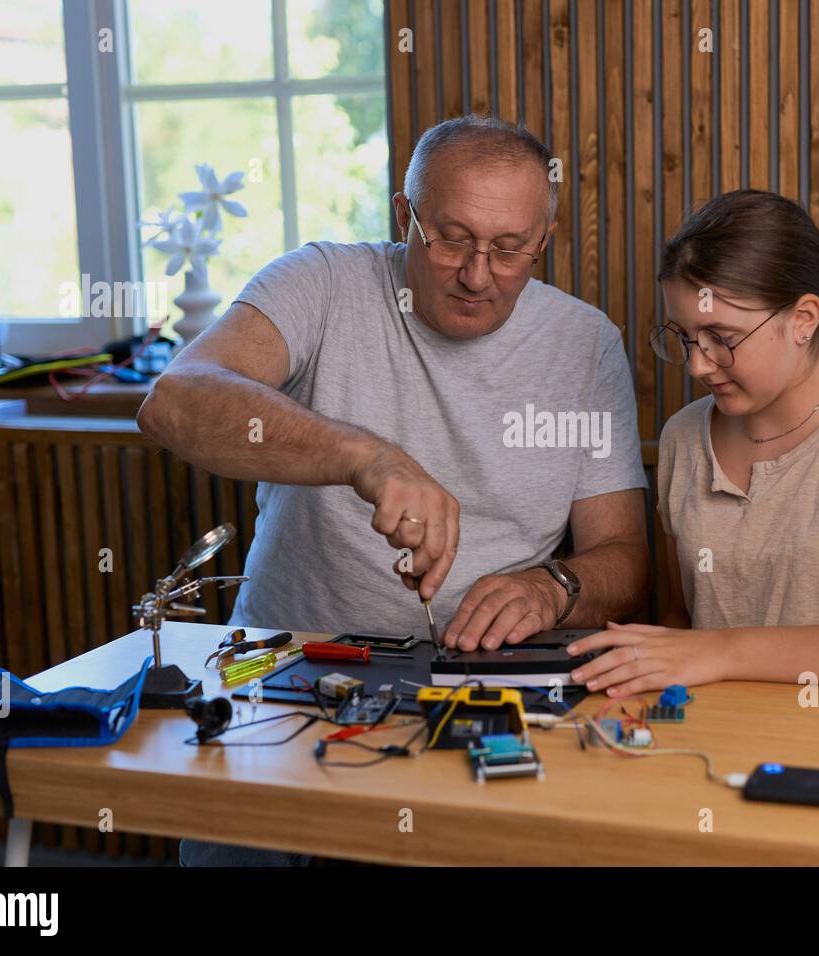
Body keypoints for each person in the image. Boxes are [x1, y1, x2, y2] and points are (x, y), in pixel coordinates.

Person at [138, 114, 649, 865]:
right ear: (404, 216)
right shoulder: (322, 280)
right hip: (278, 669)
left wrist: (556, 586)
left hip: (477, 695)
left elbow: (627, 559)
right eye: (451, 239)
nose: (479, 275)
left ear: (543, 240)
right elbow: (174, 400)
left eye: (509, 250)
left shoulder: (586, 343)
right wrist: (362, 456)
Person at [567, 189, 819, 696]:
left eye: (723, 337)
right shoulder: (683, 437)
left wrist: (723, 652)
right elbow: (682, 620)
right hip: (713, 748)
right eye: (685, 337)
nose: (698, 365)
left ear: (804, 319)